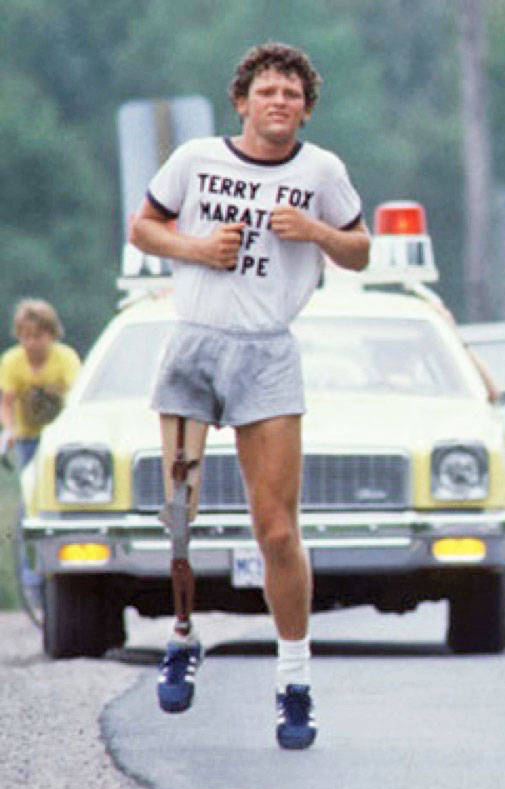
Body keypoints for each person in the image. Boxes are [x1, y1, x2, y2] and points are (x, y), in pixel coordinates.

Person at [129, 42, 370, 750]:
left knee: (276, 528)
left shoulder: (321, 171)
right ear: (242, 101)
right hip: (195, 340)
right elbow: (142, 225)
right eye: (267, 91)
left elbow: (359, 250)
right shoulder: (198, 159)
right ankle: (181, 634)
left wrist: (317, 231)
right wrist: (198, 250)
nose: (279, 103)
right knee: (179, 509)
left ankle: (293, 679)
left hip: (267, 351)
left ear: (305, 109)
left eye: (292, 95)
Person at [0, 299, 81, 468]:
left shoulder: (66, 358)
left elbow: (77, 396)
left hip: (62, 435)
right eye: (25, 337)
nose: (31, 343)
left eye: (37, 336)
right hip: (27, 436)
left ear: (52, 334)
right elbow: (7, 403)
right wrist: (9, 430)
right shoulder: (11, 361)